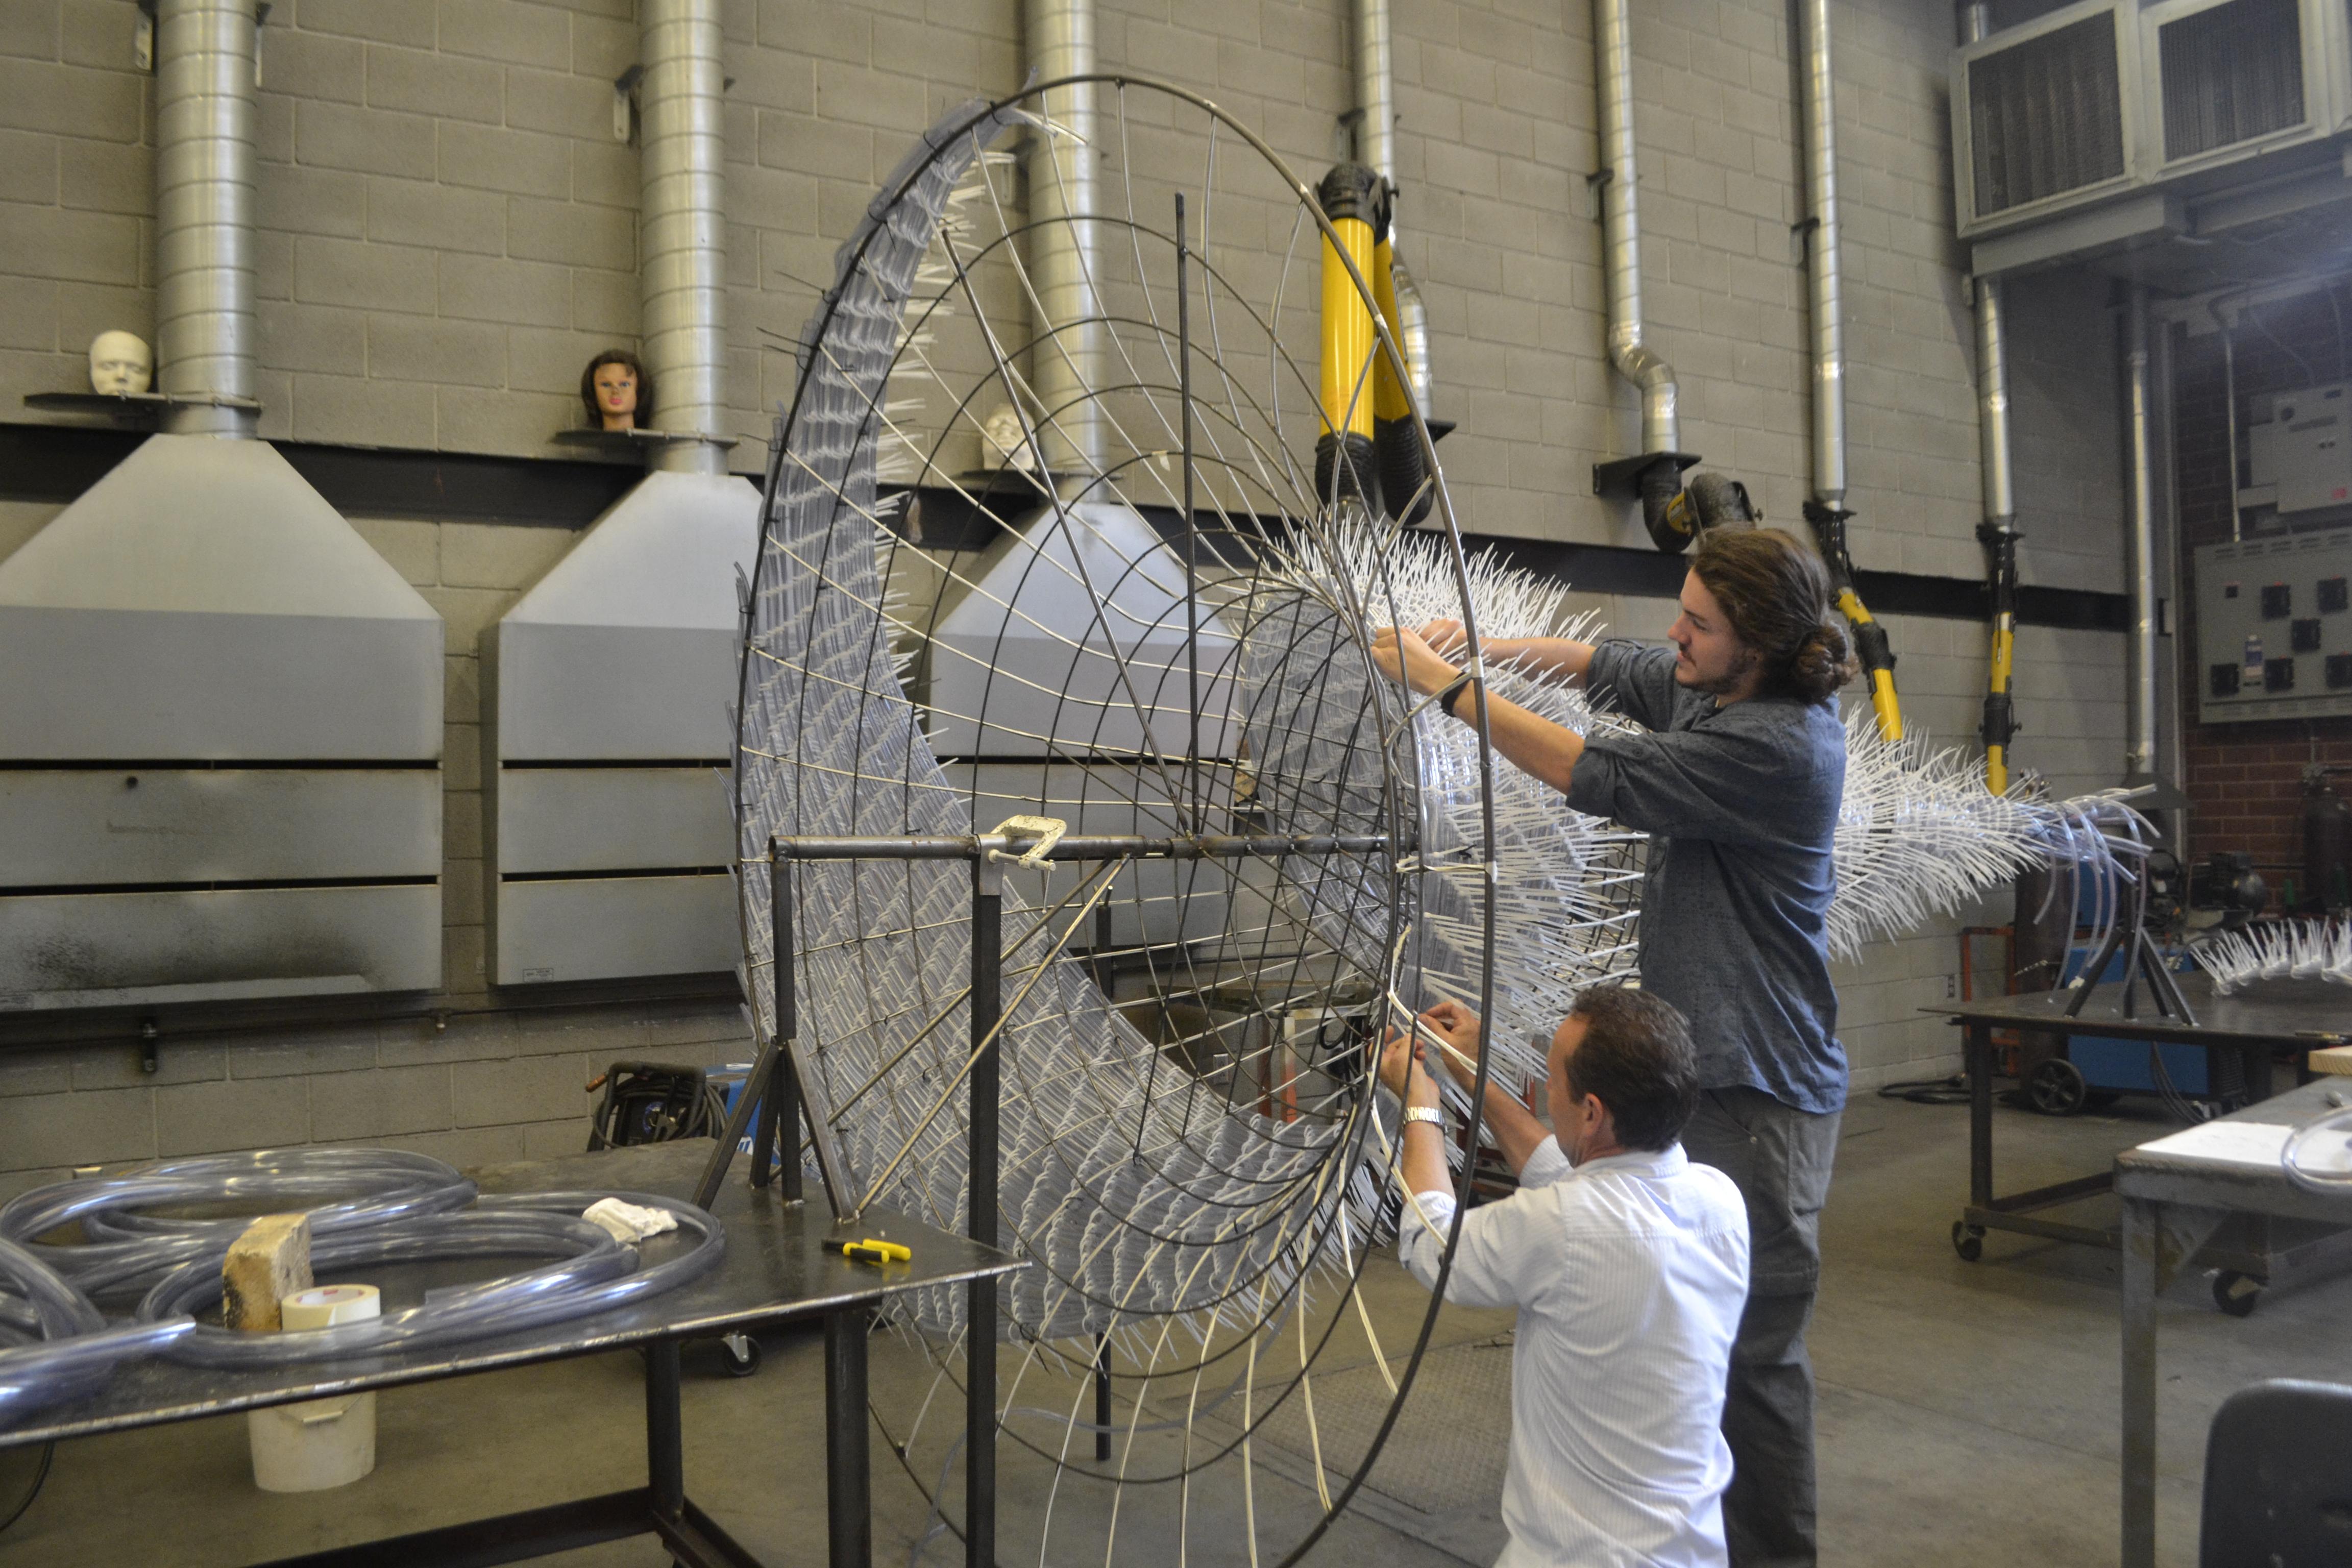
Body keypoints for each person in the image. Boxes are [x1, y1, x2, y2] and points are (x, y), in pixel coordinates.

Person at [1370, 526, 1853, 1568]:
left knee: (1752, 1367)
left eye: (1700, 624)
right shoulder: (1714, 685)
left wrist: (1448, 684)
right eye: (1682, 609)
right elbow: (1610, 668)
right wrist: (1487, 642)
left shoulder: (1777, 746)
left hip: (1757, 1087)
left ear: (1759, 646)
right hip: (1709, 1071)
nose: (1675, 633)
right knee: (1677, 1344)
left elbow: (1599, 777)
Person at [1377, 986, 1748, 1568]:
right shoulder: (1720, 1200)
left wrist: (1418, 1104)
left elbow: (1429, 1243)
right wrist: (1471, 1077)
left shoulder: (1563, 1229)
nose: (1547, 1092)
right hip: (1691, 1552)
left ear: (1594, 1111)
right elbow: (1565, 1172)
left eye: (1552, 1081)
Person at [580, 348, 653, 432]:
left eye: (625, 384)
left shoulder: (653, 444)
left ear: (638, 390)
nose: (615, 391)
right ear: (593, 392)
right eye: (606, 385)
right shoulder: (582, 443)